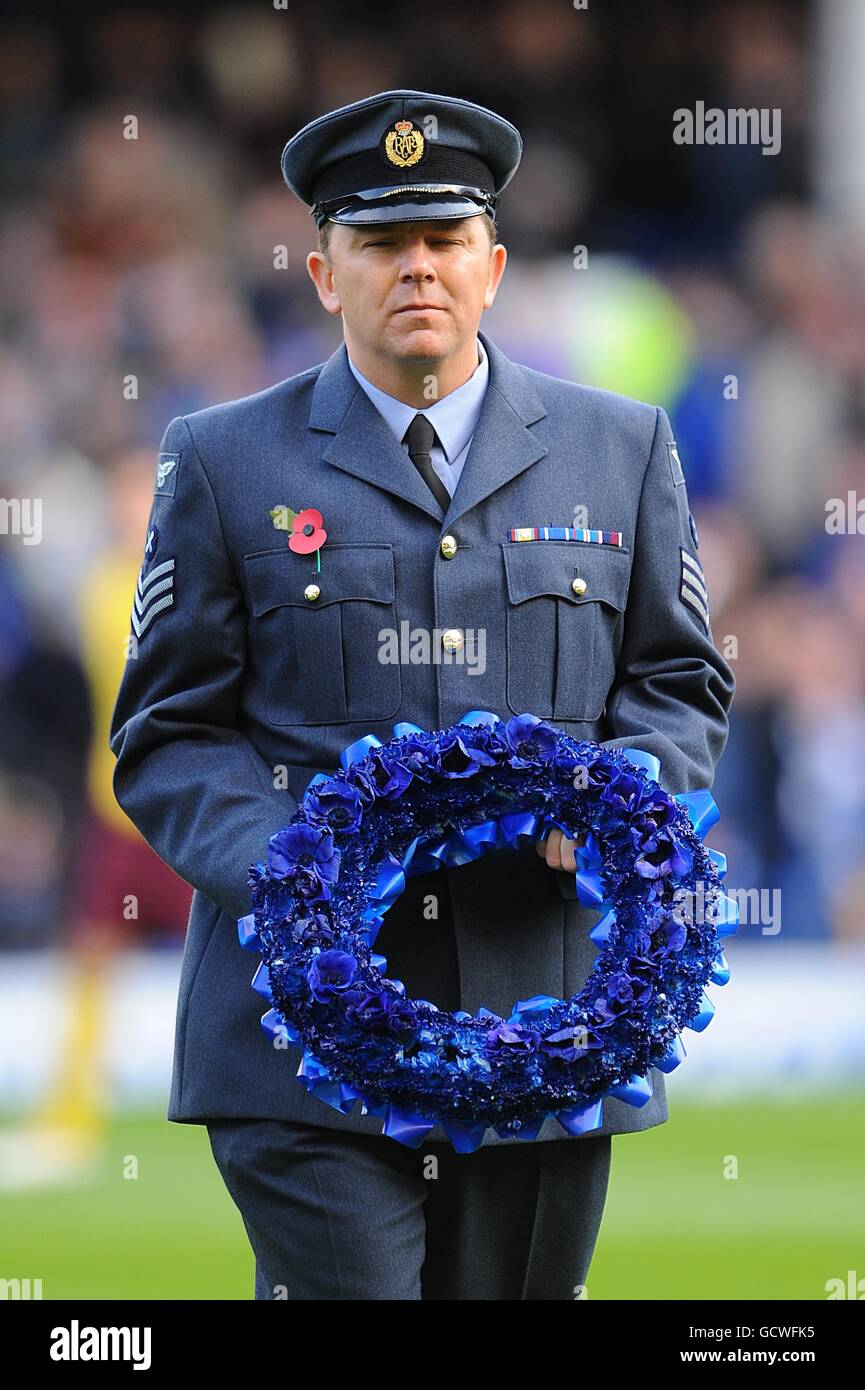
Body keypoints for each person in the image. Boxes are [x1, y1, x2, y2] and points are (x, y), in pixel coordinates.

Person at [109, 88, 735, 1300]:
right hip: (297, 1042)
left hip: (542, 1022)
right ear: (321, 273)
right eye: (381, 243)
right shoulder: (224, 456)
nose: (418, 270)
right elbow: (167, 732)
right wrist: (299, 871)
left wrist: (622, 800)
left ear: (492, 267)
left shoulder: (625, 446)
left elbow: (678, 681)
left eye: (444, 241)